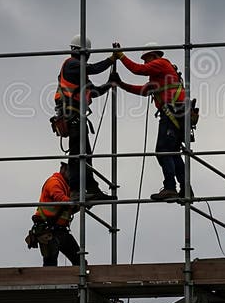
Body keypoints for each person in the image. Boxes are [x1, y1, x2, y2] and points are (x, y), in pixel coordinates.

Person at [111, 42, 191, 201]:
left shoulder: (160, 64)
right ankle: (185, 189)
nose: (145, 63)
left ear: (154, 56)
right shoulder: (159, 76)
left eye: (146, 59)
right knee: (172, 152)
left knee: (162, 150)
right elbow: (143, 91)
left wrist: (120, 56)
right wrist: (120, 84)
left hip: (172, 113)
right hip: (177, 114)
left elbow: (137, 69)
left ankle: (170, 188)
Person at [53, 34, 116, 201]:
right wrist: (112, 59)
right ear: (85, 52)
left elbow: (93, 92)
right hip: (71, 117)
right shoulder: (72, 64)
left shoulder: (79, 74)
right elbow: (93, 68)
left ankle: (92, 188)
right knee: (76, 154)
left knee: (85, 155)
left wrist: (110, 84)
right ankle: (75, 189)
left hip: (77, 118)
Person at [29, 162, 82, 267]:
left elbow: (66, 208)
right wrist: (76, 202)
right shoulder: (54, 182)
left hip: (60, 230)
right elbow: (60, 198)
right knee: (50, 263)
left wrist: (78, 205)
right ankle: (49, 282)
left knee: (79, 260)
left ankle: (80, 278)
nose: (73, 174)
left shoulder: (66, 187)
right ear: (63, 169)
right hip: (49, 230)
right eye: (71, 171)